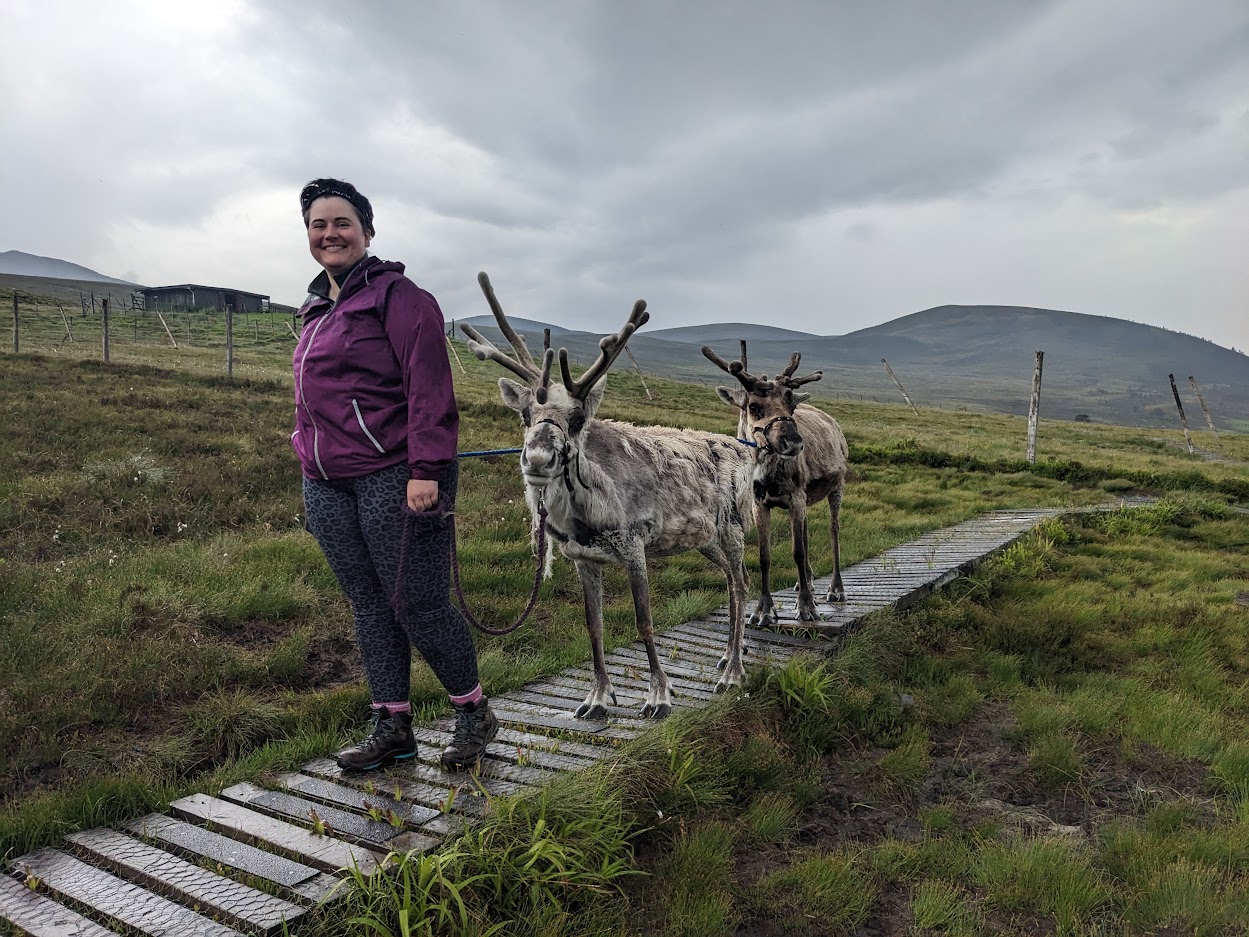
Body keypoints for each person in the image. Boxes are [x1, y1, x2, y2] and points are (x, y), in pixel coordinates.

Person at [291, 177, 498, 771]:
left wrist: (427, 469)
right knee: (368, 603)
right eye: (317, 225)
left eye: (341, 223)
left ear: (367, 230)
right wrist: (303, 447)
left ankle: (472, 712)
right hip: (327, 480)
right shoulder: (316, 308)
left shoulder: (400, 297)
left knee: (417, 602)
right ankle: (393, 726)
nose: (329, 234)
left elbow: (429, 390)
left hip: (396, 472)